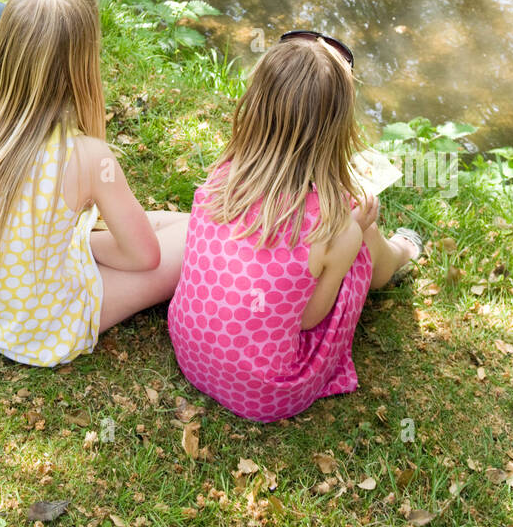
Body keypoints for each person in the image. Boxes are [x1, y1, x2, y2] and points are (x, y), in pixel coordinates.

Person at [0, 0, 189, 367]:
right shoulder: (86, 157)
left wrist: (85, 243)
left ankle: (82, 244)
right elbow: (144, 258)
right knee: (191, 234)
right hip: (37, 327)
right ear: (83, 61)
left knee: (165, 225)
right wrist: (89, 245)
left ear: (7, 43)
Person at [168, 32, 423, 423]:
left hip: (190, 353)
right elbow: (308, 319)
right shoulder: (333, 223)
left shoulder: (222, 176)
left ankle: (397, 252)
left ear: (255, 105)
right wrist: (349, 236)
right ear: (336, 131)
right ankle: (398, 253)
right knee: (352, 251)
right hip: (266, 393)